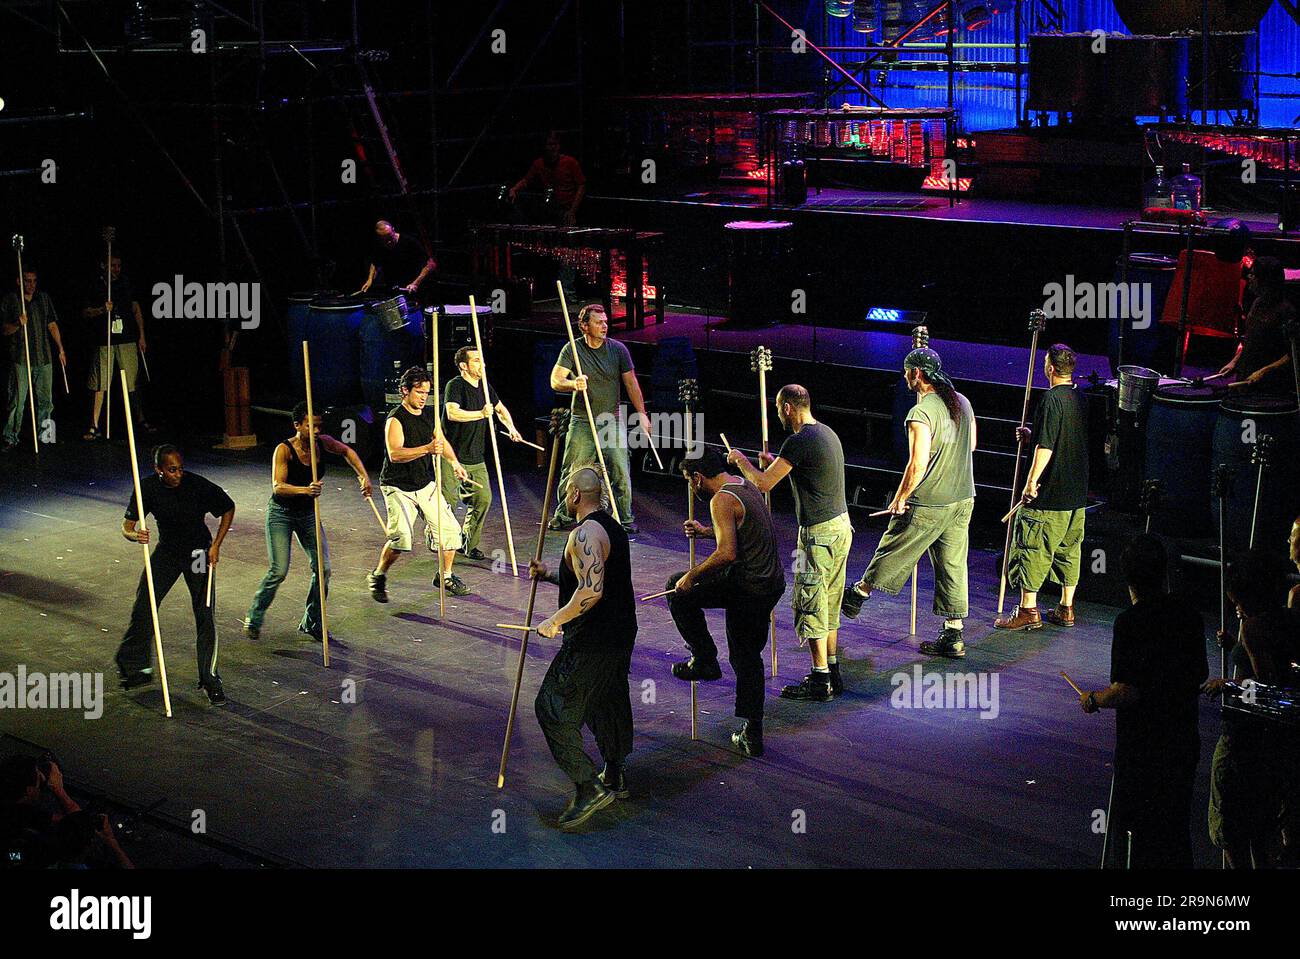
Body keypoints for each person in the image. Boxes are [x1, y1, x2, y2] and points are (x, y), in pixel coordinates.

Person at [1079, 535, 1207, 869]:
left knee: (1141, 830)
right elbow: (1199, 672)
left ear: (1128, 578)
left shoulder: (1130, 623)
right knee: (1176, 826)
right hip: (1182, 736)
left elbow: (1126, 690)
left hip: (1144, 745)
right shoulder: (1188, 615)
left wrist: (1094, 699)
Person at [842, 347, 977, 660]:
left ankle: (859, 593)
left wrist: (901, 498)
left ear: (917, 374)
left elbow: (916, 464)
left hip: (931, 500)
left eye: (906, 371)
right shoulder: (963, 402)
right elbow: (970, 446)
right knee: (952, 564)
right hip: (962, 498)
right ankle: (953, 632)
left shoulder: (921, 412)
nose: (904, 377)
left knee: (895, 544)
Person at [729, 384, 851, 703]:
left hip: (818, 533)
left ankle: (820, 678)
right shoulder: (825, 434)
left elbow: (763, 483)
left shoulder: (798, 441)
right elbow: (799, 469)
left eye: (778, 409)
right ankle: (832, 670)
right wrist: (774, 461)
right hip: (841, 527)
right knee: (830, 599)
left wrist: (741, 461)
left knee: (810, 599)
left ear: (786, 408)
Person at [530, 467, 636, 830]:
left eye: (566, 493)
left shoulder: (585, 533)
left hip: (593, 641)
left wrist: (555, 620)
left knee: (553, 707)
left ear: (575, 494)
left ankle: (588, 786)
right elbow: (590, 576)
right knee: (606, 700)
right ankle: (615, 773)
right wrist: (550, 574)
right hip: (619, 635)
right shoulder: (613, 527)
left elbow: (591, 591)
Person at [667, 447, 786, 756]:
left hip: (749, 584)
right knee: (748, 655)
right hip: (770, 582)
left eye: (689, 482)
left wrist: (692, 576)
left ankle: (706, 661)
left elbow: (727, 554)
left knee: (678, 590)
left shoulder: (720, 499)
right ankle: (749, 725)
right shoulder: (743, 484)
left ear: (697, 477)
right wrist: (709, 532)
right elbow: (742, 533)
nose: (692, 489)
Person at [117, 445, 235, 706]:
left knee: (204, 613)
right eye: (172, 470)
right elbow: (127, 527)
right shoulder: (146, 488)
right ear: (159, 470)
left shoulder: (196, 485)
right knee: (144, 604)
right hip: (168, 553)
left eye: (180, 469)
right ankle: (134, 668)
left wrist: (216, 545)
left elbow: (228, 507)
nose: (178, 474)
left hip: (196, 555)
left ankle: (209, 678)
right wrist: (136, 535)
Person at [244, 403, 374, 641]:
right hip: (281, 514)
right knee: (278, 571)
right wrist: (306, 489)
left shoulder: (322, 443)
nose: (315, 430)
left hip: (307, 515)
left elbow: (347, 452)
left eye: (318, 426)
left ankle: (312, 620)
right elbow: (278, 487)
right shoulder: (283, 450)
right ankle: (255, 614)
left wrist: (363, 476)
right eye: (310, 425)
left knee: (323, 569)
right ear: (297, 425)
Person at [1201, 551, 1297, 868]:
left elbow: (1269, 688)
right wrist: (1236, 648)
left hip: (1244, 737)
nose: (1235, 607)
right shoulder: (1285, 619)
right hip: (1273, 744)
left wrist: (1227, 685)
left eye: (1238, 601)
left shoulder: (1254, 628)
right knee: (1261, 826)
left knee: (1230, 824)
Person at [995, 343, 1089, 630]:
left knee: (1032, 548)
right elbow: (1064, 433)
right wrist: (1032, 432)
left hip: (1050, 493)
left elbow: (1047, 447)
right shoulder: (1080, 397)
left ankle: (1028, 610)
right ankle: (1066, 607)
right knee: (1069, 549)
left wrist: (1031, 482)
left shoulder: (1051, 400)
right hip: (1076, 494)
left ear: (1049, 368)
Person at [368, 366, 470, 602]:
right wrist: (426, 449)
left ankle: (445, 575)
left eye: (427, 392)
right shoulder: (395, 419)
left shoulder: (428, 416)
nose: (424, 397)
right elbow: (395, 454)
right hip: (398, 487)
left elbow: (440, 441)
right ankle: (379, 575)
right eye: (419, 392)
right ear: (405, 391)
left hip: (425, 483)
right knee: (401, 539)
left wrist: (454, 462)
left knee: (452, 533)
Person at [549, 303, 651, 535]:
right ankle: (565, 514)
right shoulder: (571, 350)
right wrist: (573, 384)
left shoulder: (618, 350)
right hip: (582, 419)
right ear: (584, 326)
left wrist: (642, 413)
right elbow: (555, 380)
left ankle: (623, 518)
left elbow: (631, 383)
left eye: (606, 322)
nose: (605, 326)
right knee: (573, 470)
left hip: (610, 419)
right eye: (598, 322)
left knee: (619, 469)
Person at [441, 346, 525, 561]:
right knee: (447, 501)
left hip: (475, 455)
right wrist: (480, 413)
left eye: (482, 360)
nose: (482, 364)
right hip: (451, 456)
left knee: (483, 499)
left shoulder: (485, 387)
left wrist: (511, 428)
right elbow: (452, 413)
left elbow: (500, 409)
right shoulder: (455, 385)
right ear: (464, 366)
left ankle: (467, 543)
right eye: (476, 360)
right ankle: (442, 540)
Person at [82, 252, 150, 440]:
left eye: (118, 265)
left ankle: (140, 420)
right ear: (104, 266)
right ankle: (94, 425)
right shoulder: (96, 284)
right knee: (100, 383)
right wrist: (102, 310)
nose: (116, 269)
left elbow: (136, 309)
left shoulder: (126, 283)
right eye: (112, 265)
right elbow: (86, 312)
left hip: (126, 338)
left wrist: (141, 335)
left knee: (132, 382)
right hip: (104, 340)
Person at [1, 265, 65, 452]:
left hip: (43, 357)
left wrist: (61, 349)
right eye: (27, 281)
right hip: (21, 359)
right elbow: (4, 330)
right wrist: (17, 323)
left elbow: (52, 324)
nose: (31, 284)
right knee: (17, 401)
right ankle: (10, 437)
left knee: (46, 401)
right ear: (19, 281)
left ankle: (46, 436)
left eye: (34, 281)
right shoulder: (11, 300)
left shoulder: (43, 298)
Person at [1217, 256, 1296, 394]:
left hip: (1270, 387)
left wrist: (1264, 371)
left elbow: (1293, 354)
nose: (1249, 277)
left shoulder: (1286, 311)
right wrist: (1235, 362)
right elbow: (1250, 339)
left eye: (1253, 274)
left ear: (1265, 280)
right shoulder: (1257, 303)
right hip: (1246, 377)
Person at [508, 130, 586, 228]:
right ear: (544, 146)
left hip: (566, 210)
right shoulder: (539, 163)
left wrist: (572, 211)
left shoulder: (570, 162)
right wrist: (514, 189)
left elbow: (581, 185)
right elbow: (526, 180)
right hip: (548, 209)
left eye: (555, 144)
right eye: (550, 144)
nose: (553, 147)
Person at [357, 220, 436, 301]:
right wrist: (370, 279)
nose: (389, 242)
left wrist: (415, 283)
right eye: (385, 240)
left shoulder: (409, 242)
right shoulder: (379, 245)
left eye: (390, 237)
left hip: (412, 289)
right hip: (393, 291)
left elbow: (431, 264)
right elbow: (375, 262)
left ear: (393, 230)